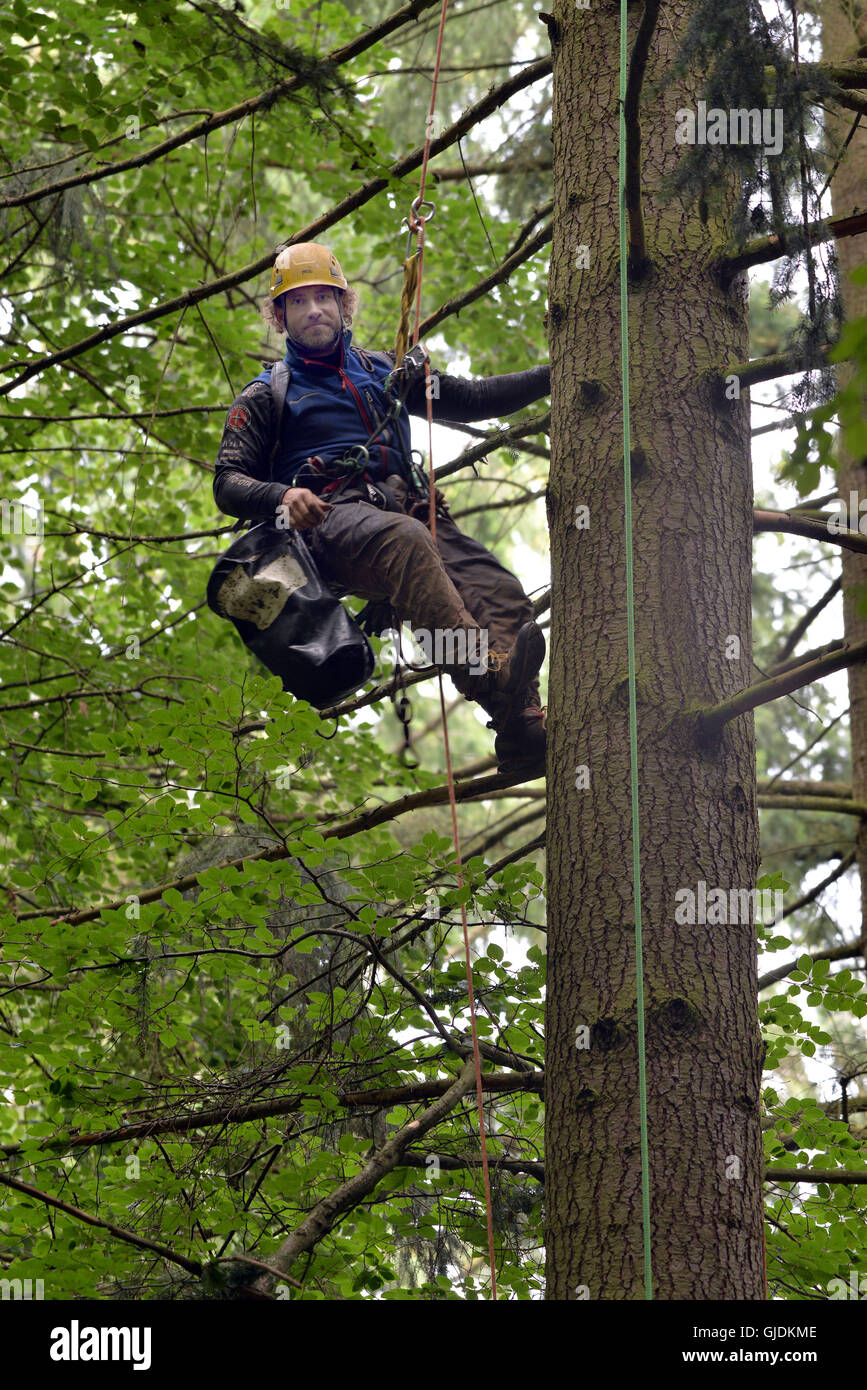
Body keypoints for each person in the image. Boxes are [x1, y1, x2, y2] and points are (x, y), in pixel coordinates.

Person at [213, 241, 550, 775]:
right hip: (325, 526)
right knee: (405, 543)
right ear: (279, 317)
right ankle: (488, 677)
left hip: (406, 512)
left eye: (325, 297)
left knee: (499, 591)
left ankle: (520, 725)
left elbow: (475, 398)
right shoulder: (266, 393)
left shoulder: (384, 373)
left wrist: (562, 371)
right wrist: (283, 496)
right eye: (298, 303)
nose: (315, 310)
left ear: (345, 305)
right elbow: (228, 481)